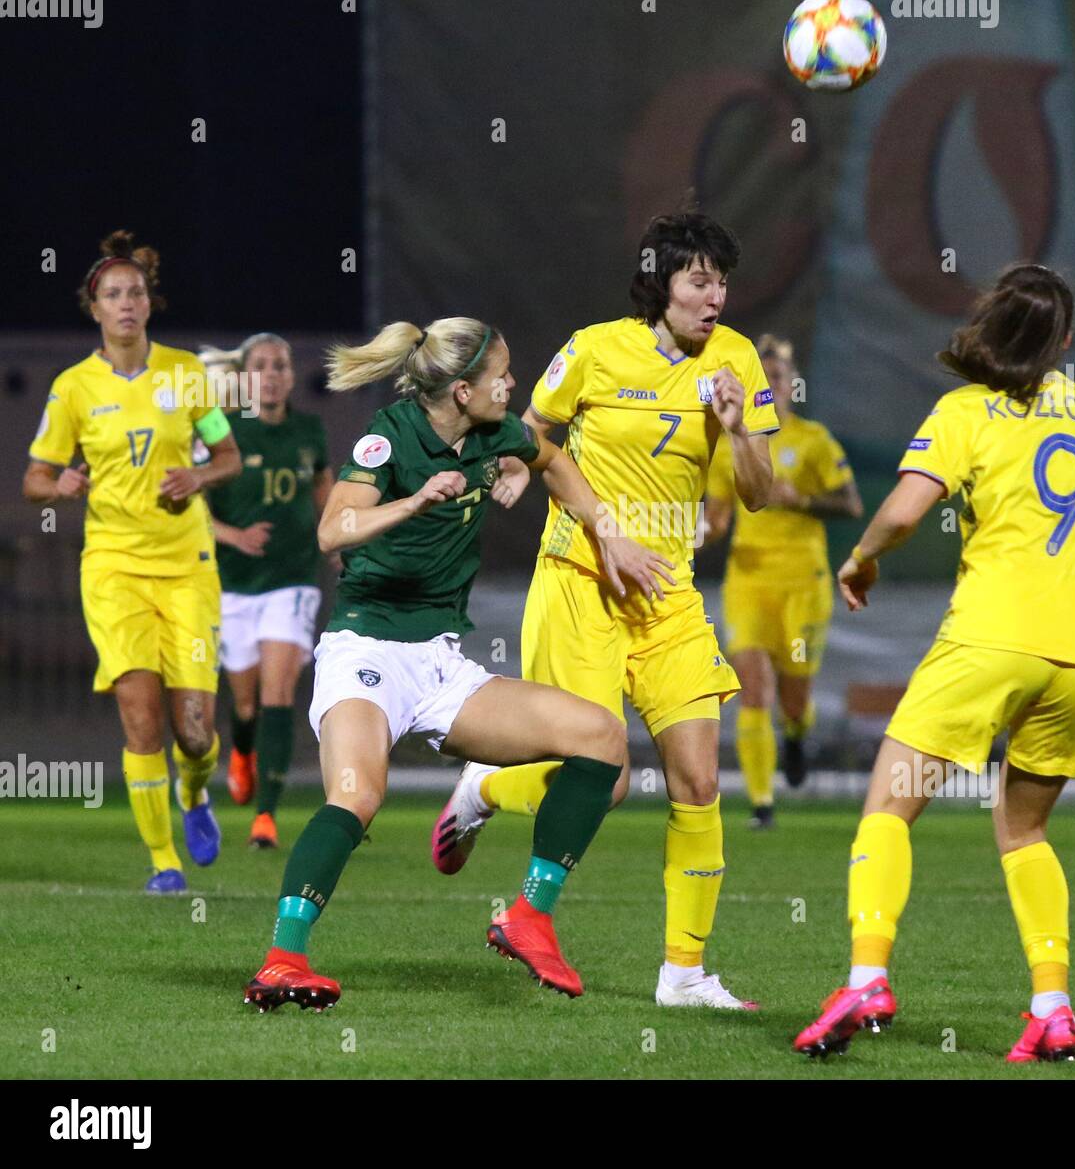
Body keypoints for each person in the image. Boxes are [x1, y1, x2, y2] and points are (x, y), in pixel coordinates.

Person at [792, 264, 1075, 1061]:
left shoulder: (965, 411)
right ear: (1065, 342)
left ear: (993, 327)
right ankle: (1052, 1008)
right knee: (1024, 831)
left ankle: (868, 976)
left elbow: (904, 511)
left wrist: (861, 559)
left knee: (888, 806)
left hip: (990, 642)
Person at [243, 317, 672, 1010]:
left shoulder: (496, 432)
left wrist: (606, 534)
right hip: (366, 652)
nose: (513, 384)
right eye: (502, 374)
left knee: (602, 741)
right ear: (464, 390)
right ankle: (283, 961)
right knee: (356, 796)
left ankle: (529, 915)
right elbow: (333, 528)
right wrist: (411, 501)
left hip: (441, 661)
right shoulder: (389, 435)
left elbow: (556, 461)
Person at [433, 211, 777, 1009]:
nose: (715, 295)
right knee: (605, 779)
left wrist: (739, 432)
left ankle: (683, 976)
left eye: (722, 281)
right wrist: (527, 481)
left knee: (697, 777)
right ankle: (487, 788)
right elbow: (533, 433)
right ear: (662, 284)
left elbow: (760, 496)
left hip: (668, 594)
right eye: (699, 280)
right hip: (580, 580)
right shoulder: (592, 348)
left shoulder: (736, 361)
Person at [23, 230, 241, 892]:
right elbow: (36, 476)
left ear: (149, 303)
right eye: (113, 295)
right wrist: (57, 486)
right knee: (140, 712)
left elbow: (227, 457)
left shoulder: (187, 372)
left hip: (188, 566)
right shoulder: (73, 389)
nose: (126, 304)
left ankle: (195, 794)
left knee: (197, 732)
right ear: (94, 308)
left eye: (135, 293)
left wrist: (197, 479)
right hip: (113, 565)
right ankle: (164, 863)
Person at [703, 334, 862, 828]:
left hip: (803, 582)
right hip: (749, 580)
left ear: (792, 386)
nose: (771, 383)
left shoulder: (813, 440)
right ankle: (761, 804)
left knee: (793, 695)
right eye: (763, 377)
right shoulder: (730, 445)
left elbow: (851, 504)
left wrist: (802, 500)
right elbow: (717, 518)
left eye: (778, 377)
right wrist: (696, 532)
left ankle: (795, 733)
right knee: (753, 690)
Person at [207, 333, 333, 849]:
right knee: (245, 705)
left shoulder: (309, 430)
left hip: (293, 577)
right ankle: (240, 751)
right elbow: (190, 502)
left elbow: (324, 485)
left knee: (277, 692)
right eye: (261, 365)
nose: (274, 373)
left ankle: (266, 816)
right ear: (243, 376)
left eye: (281, 364)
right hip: (234, 583)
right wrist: (233, 535)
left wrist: (336, 537)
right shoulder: (223, 431)